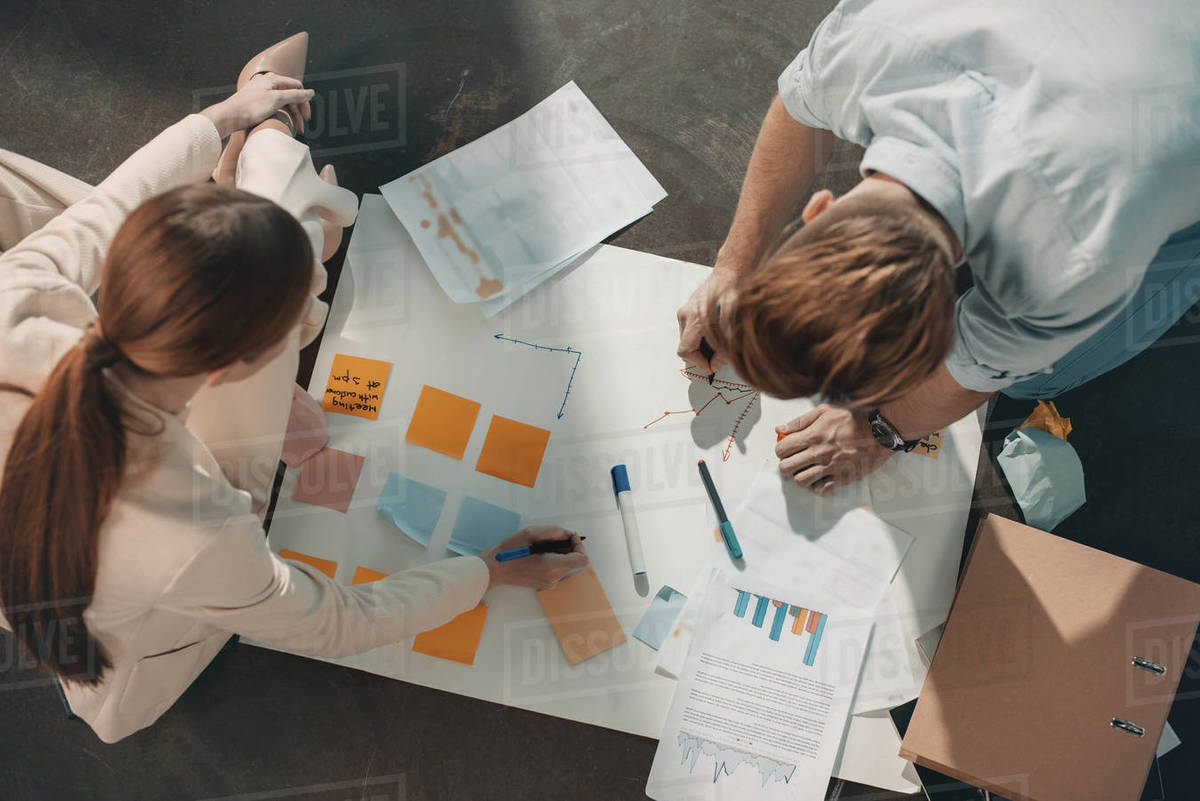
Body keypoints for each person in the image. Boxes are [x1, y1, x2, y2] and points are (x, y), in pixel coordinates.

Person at [0, 33, 586, 744]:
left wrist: (225, 113)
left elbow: (105, 212)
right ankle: (271, 172)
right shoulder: (199, 525)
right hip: (132, 613)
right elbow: (335, 620)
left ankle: (257, 172)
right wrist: (489, 571)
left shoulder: (20, 296)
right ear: (248, 363)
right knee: (285, 242)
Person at [676, 0, 1200, 495]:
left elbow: (973, 375)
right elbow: (800, 108)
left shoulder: (1074, 264)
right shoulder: (875, 36)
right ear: (821, 209)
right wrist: (734, 266)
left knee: (1040, 377)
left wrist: (878, 428)